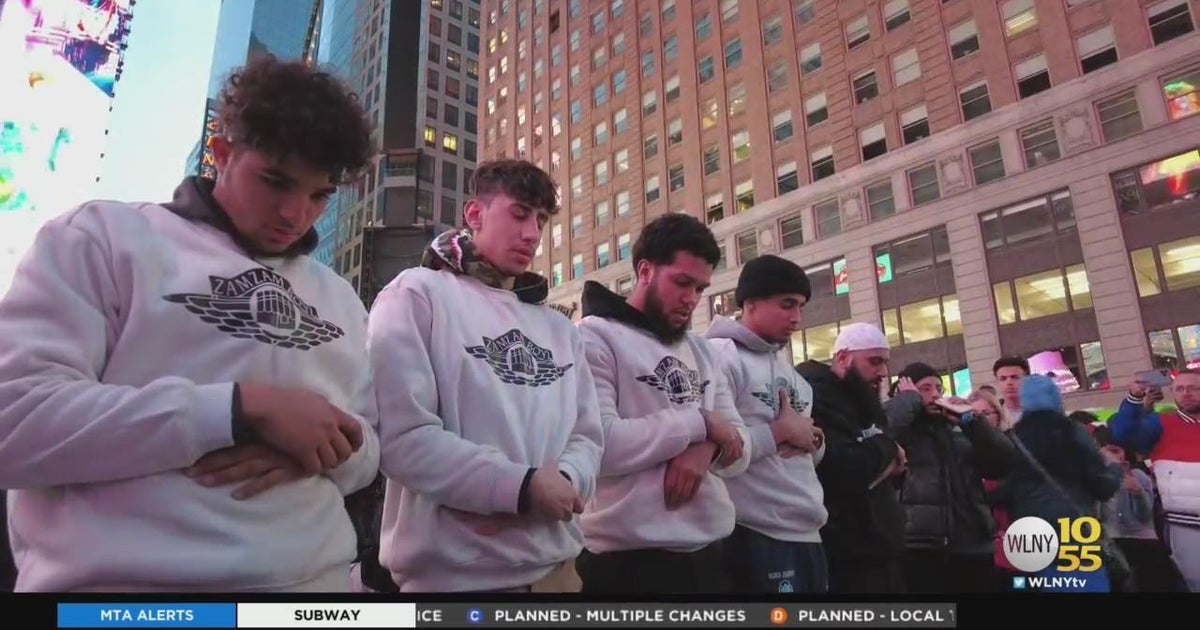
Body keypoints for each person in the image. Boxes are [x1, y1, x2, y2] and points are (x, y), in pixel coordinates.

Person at [0, 58, 381, 591]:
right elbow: (14, 423)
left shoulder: (340, 297)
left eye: (320, 195)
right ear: (220, 154)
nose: (296, 214)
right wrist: (240, 409)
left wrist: (326, 447)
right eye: (275, 181)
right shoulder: (104, 237)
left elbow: (367, 450)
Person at [367, 160, 604, 593]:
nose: (532, 233)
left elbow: (588, 435)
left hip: (560, 576)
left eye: (541, 220)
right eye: (519, 214)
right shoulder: (417, 293)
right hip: (453, 583)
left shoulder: (559, 328)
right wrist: (523, 488)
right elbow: (401, 438)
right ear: (475, 215)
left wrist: (567, 481)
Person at [576, 213, 750, 594]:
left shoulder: (703, 351)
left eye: (701, 288)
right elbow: (599, 445)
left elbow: (742, 446)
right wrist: (700, 423)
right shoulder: (593, 338)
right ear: (645, 271)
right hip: (625, 564)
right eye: (682, 283)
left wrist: (707, 448)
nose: (691, 299)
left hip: (710, 557)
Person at [704, 255, 827, 594]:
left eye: (800, 306)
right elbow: (718, 455)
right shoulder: (718, 356)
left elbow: (809, 455)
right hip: (754, 535)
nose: (796, 318)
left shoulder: (795, 377)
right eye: (787, 304)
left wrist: (812, 439)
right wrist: (783, 433)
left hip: (809, 533)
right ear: (750, 303)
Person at [884, 363, 1016, 593]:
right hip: (920, 546)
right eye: (925, 388)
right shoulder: (904, 430)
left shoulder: (957, 430)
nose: (935, 394)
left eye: (938, 387)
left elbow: (1002, 462)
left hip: (973, 545)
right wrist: (908, 402)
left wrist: (973, 422)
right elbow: (885, 431)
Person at [797, 323, 906, 593]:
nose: (882, 372)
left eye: (884, 363)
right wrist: (888, 449)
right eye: (874, 361)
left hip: (882, 550)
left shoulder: (863, 400)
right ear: (843, 358)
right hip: (846, 555)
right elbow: (846, 472)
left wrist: (881, 452)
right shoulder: (817, 398)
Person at [1004, 375, 1122, 592]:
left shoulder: (1012, 437)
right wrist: (1115, 469)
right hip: (1074, 530)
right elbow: (1101, 486)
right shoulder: (1072, 432)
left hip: (1029, 532)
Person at [1109, 368, 1200, 591]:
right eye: (1179, 389)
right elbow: (1121, 434)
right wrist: (1134, 398)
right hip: (1184, 523)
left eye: (1193, 388)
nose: (1185, 393)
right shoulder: (1160, 425)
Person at [992, 357, 1029, 427]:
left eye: (1015, 377)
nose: (1009, 382)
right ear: (997, 382)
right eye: (1003, 379)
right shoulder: (994, 414)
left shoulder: (1040, 412)